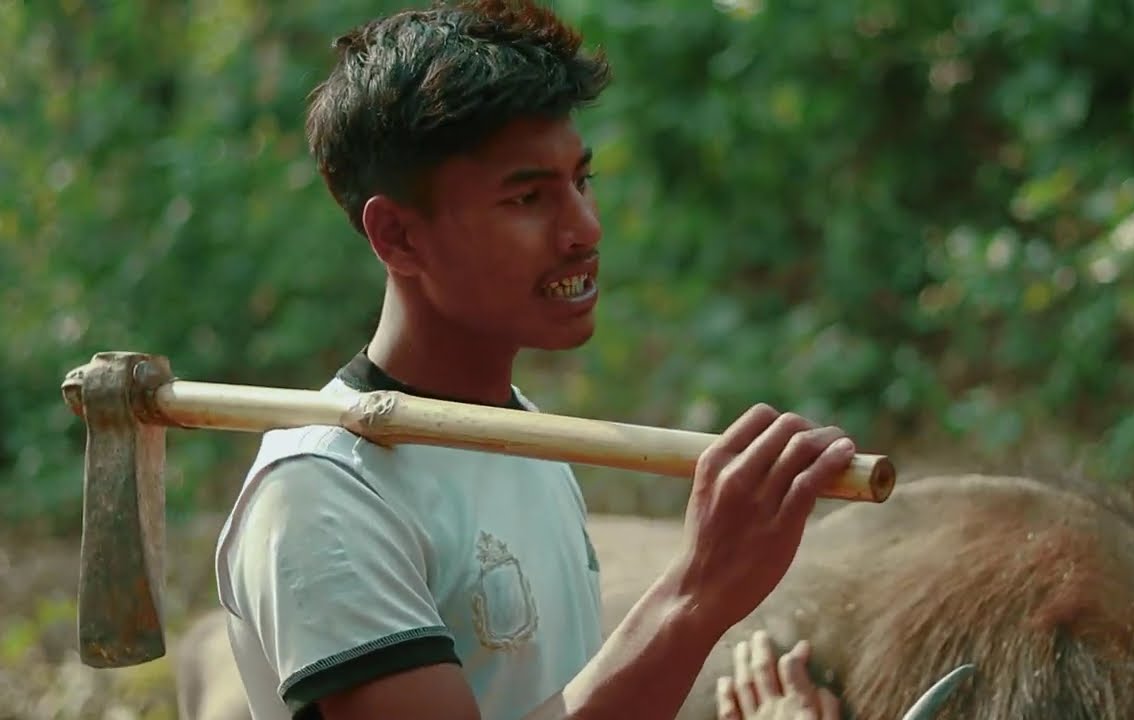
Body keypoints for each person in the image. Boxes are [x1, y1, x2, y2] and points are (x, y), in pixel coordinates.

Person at [213, 2, 854, 719]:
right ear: (397, 236)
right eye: (527, 197)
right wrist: (695, 594)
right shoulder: (324, 496)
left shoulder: (525, 439)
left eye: (582, 181)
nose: (585, 229)